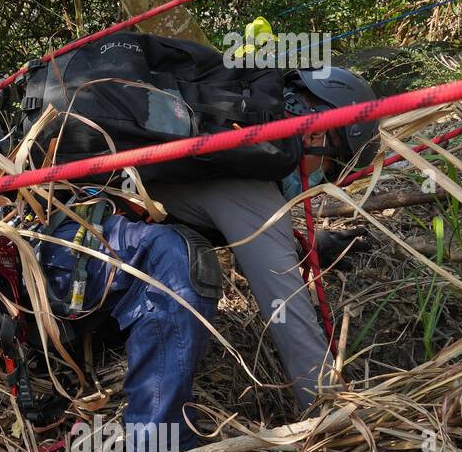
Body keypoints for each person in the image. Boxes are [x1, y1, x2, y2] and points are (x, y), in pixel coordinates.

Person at [148, 65, 377, 407]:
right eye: (327, 171)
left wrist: (307, 245)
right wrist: (331, 407)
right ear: (317, 136)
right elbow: (288, 314)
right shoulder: (252, 190)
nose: (318, 186)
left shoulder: (229, 135)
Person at [0, 192, 222, 452]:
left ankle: (158, 448)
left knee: (179, 258)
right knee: (175, 260)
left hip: (114, 236)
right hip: (62, 232)